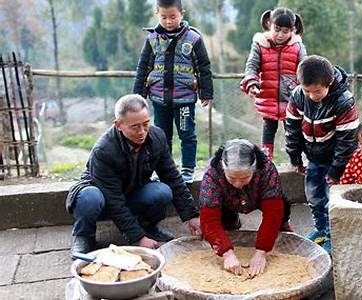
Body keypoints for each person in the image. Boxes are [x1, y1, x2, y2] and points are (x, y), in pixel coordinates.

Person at [66, 94, 201, 255]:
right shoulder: (104, 150)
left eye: (145, 124)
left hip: (131, 193)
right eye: (135, 127)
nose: (142, 132)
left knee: (162, 191)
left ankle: (148, 226)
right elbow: (113, 200)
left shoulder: (157, 136)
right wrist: (137, 238)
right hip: (103, 200)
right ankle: (84, 236)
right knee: (90, 197)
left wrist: (191, 216)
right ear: (118, 125)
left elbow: (172, 177)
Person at [133, 0, 213, 184]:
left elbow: (203, 67)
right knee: (161, 136)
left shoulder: (193, 39)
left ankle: (187, 169)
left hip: (184, 100)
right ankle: (165, 170)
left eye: (173, 17)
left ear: (181, 14)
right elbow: (143, 66)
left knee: (187, 134)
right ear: (157, 15)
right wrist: (139, 94)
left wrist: (206, 93)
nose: (168, 21)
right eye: (164, 17)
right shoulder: (152, 39)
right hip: (159, 99)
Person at [285, 55, 359, 253]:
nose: (311, 96)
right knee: (314, 196)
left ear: (330, 82)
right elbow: (291, 127)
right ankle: (321, 230)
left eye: (317, 91)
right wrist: (295, 156)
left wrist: (336, 171)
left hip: (336, 161)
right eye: (307, 90)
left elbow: (347, 141)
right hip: (313, 158)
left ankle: (333, 235)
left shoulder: (344, 102)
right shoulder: (298, 95)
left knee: (332, 199)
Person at [199, 139, 292, 277]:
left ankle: (283, 226)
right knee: (220, 225)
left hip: (257, 197)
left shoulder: (266, 168)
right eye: (232, 178)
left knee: (281, 205)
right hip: (227, 202)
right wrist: (226, 253)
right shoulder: (212, 174)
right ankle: (231, 223)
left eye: (244, 178)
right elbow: (209, 217)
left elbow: (272, 212)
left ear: (254, 169)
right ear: (223, 168)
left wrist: (261, 252)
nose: (237, 183)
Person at [240, 7, 306, 160]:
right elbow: (252, 66)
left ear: (293, 29)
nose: (280, 35)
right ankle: (266, 161)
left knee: (293, 131)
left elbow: (304, 67)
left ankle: (296, 160)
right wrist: (252, 83)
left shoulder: (298, 46)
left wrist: (307, 89)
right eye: (277, 29)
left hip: (292, 98)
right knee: (268, 129)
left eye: (285, 31)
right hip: (268, 94)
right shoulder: (259, 44)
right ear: (269, 24)